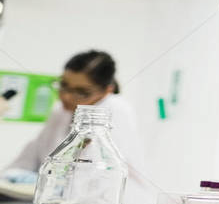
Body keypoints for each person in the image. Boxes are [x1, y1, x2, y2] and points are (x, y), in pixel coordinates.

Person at [4, 50, 144, 191]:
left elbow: (90, 179)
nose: (66, 97)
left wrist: (49, 182)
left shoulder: (114, 110)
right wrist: (13, 177)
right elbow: (26, 160)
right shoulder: (60, 111)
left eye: (81, 92)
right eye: (64, 85)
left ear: (107, 91)